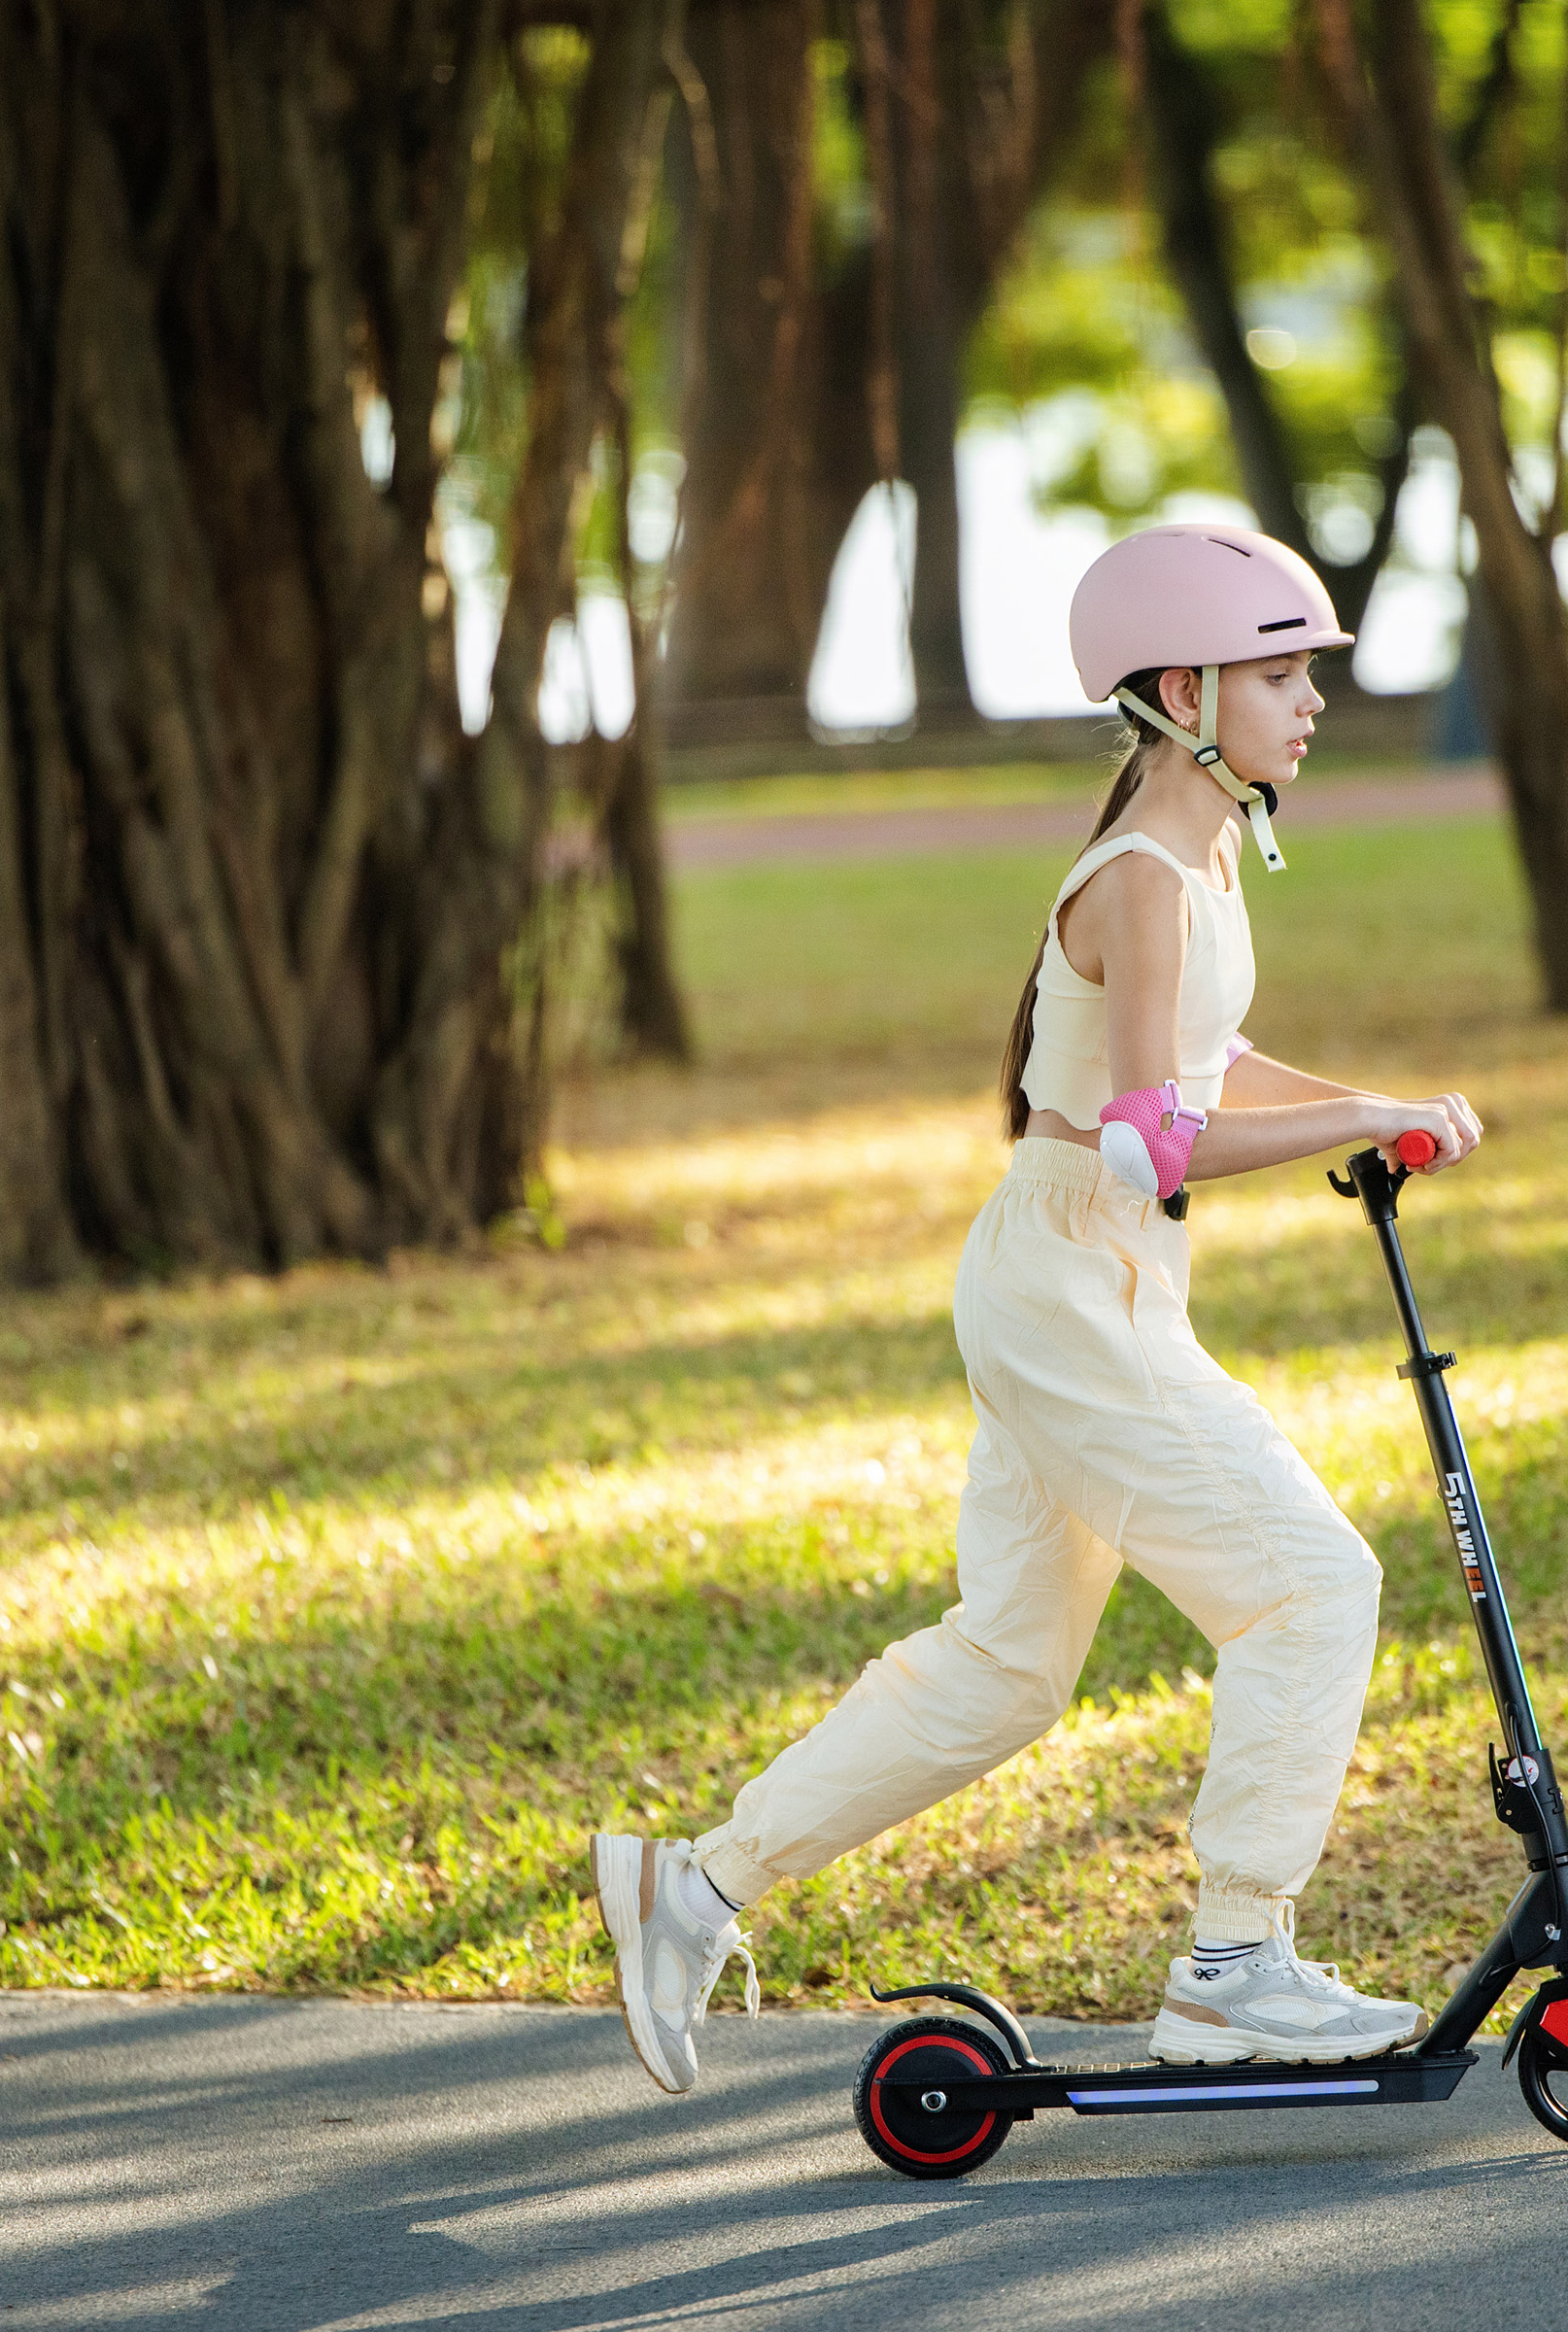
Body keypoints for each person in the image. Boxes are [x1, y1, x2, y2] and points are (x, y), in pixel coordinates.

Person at [590, 523, 1482, 2096]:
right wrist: (1352, 1126)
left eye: (1308, 675)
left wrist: (1371, 1097)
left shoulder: (1199, 854)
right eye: (1283, 674)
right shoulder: (1142, 877)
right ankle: (1233, 1968)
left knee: (1008, 1664)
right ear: (1184, 689)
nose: (1311, 702)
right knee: (1314, 1589)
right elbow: (1152, 1139)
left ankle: (696, 1886)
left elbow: (1202, 1067)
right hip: (1074, 1286)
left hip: (1074, 1281)